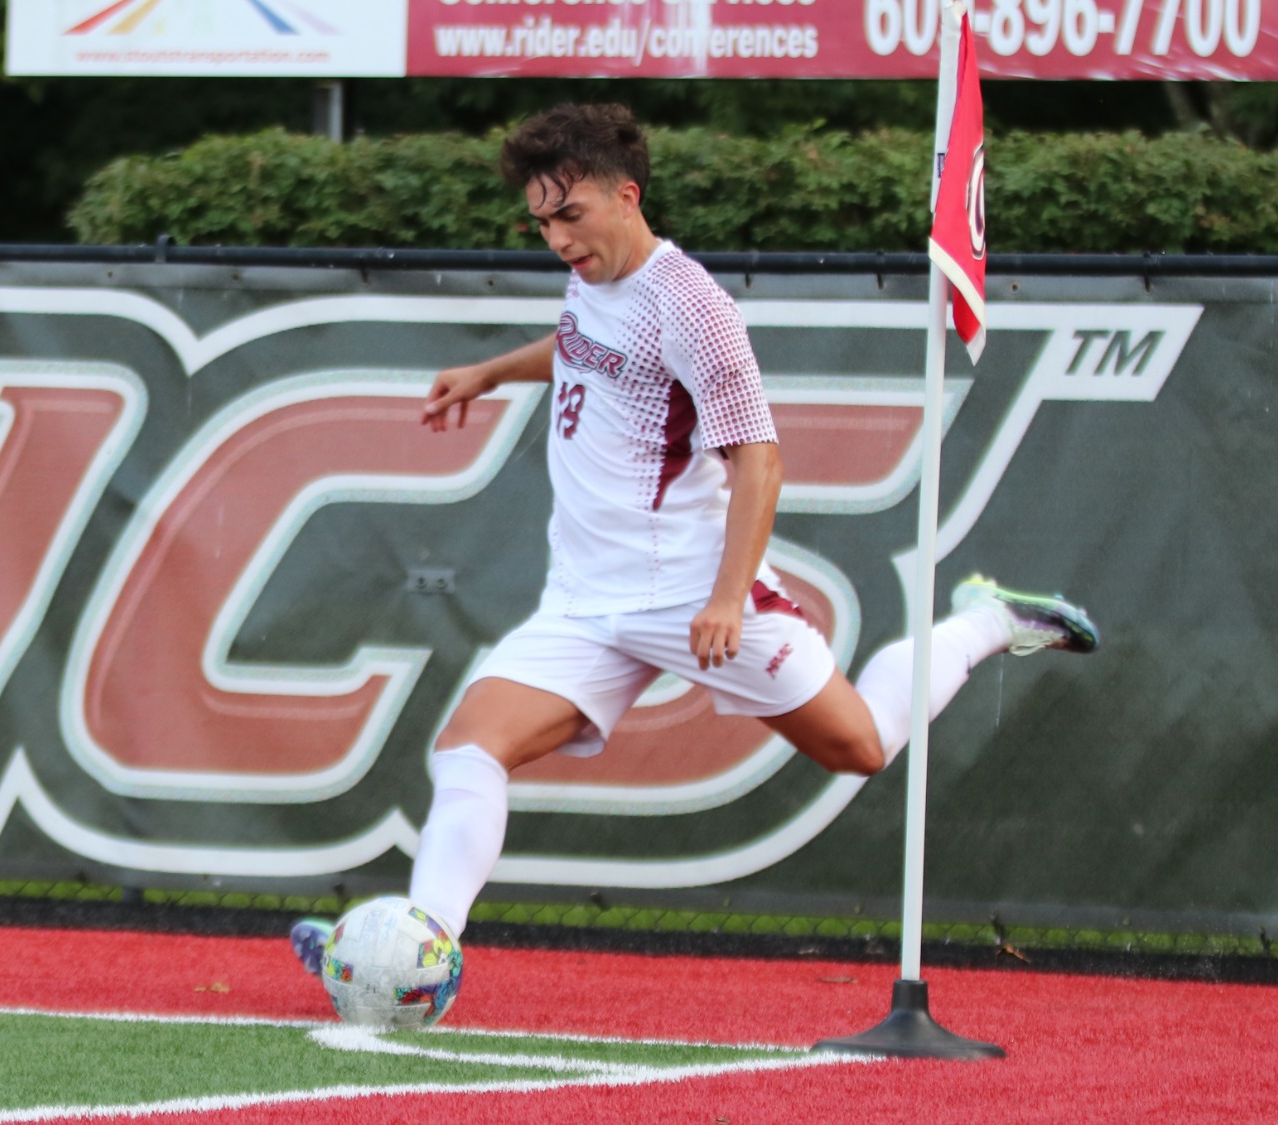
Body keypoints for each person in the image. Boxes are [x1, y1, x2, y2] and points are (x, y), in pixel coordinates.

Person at [292, 103, 1096, 969]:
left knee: (859, 744)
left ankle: (984, 620)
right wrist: (489, 371)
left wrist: (723, 597)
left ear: (626, 196)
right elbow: (582, 345)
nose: (557, 239)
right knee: (468, 747)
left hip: (689, 590)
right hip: (584, 599)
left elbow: (761, 461)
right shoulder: (592, 277)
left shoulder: (693, 306)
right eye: (541, 222)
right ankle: (420, 950)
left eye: (570, 216)